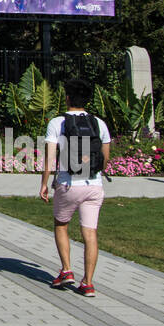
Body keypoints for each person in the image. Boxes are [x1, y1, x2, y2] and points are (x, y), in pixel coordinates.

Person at [39, 77, 111, 298]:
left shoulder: (57, 122)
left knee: (61, 225)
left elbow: (51, 157)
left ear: (67, 98)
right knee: (90, 232)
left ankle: (67, 270)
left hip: (68, 184)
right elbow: (105, 157)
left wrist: (44, 183)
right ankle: (88, 283)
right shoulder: (99, 123)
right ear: (87, 99)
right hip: (94, 185)